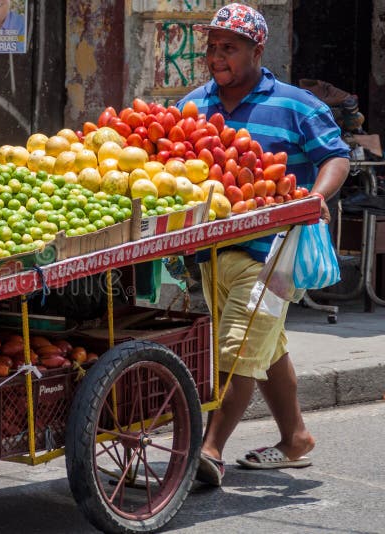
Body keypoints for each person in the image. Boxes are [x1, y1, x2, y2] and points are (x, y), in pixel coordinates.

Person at [178, 3, 350, 486]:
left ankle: (209, 450)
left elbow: (336, 157)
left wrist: (316, 197)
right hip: (211, 255)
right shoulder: (193, 105)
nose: (217, 57)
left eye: (229, 48)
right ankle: (296, 438)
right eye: (212, 47)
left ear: (257, 51)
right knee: (266, 347)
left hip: (272, 255)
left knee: (236, 349)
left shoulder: (296, 104)